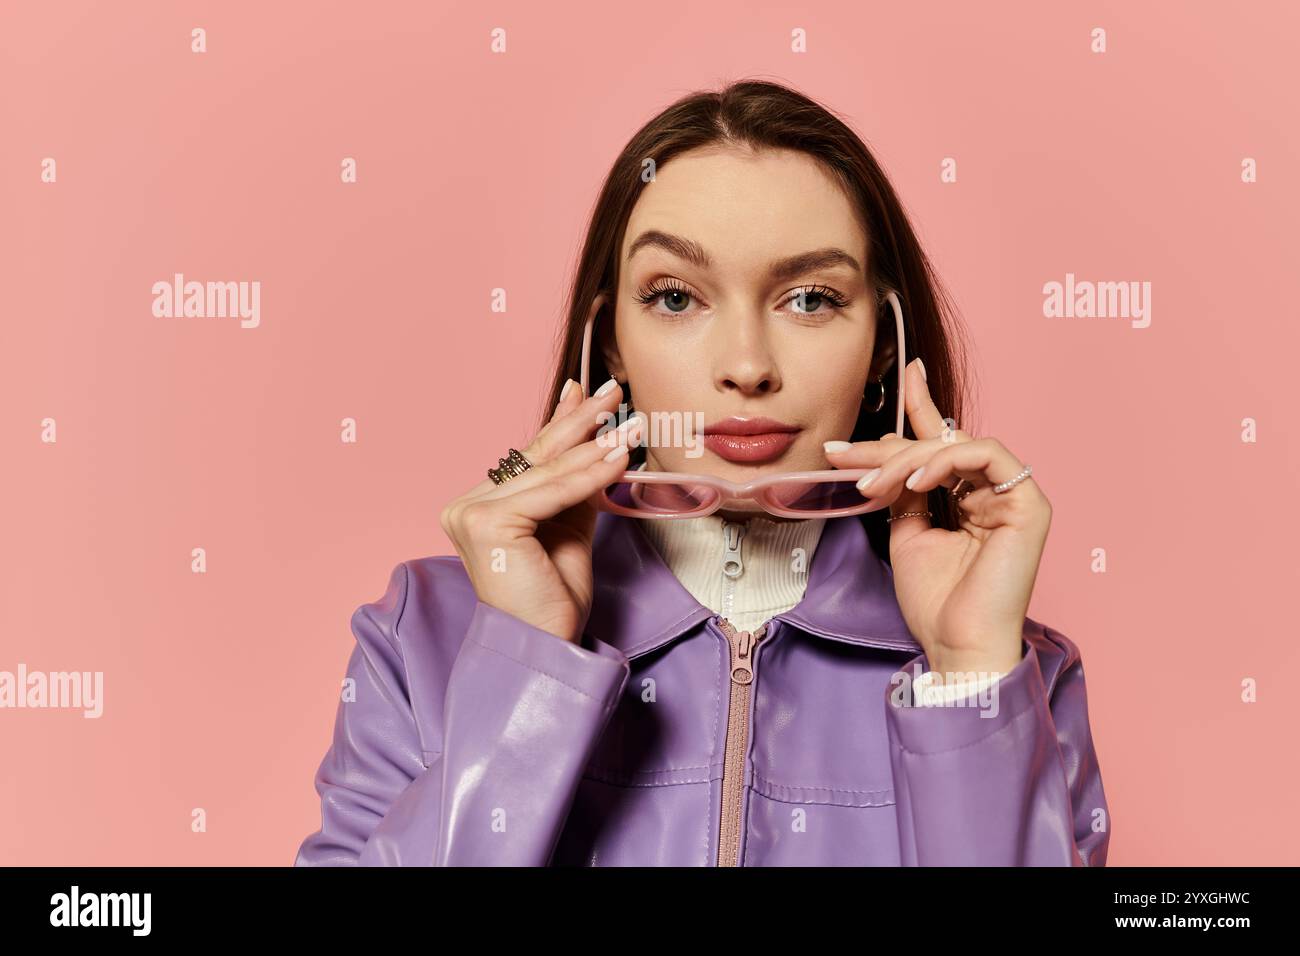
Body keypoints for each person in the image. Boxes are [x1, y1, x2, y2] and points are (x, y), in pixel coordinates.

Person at [294, 79, 1110, 866]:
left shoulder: (1015, 671)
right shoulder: (424, 636)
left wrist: (967, 681)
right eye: (677, 297)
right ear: (610, 338)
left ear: (883, 347)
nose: (747, 366)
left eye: (812, 298)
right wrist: (525, 669)